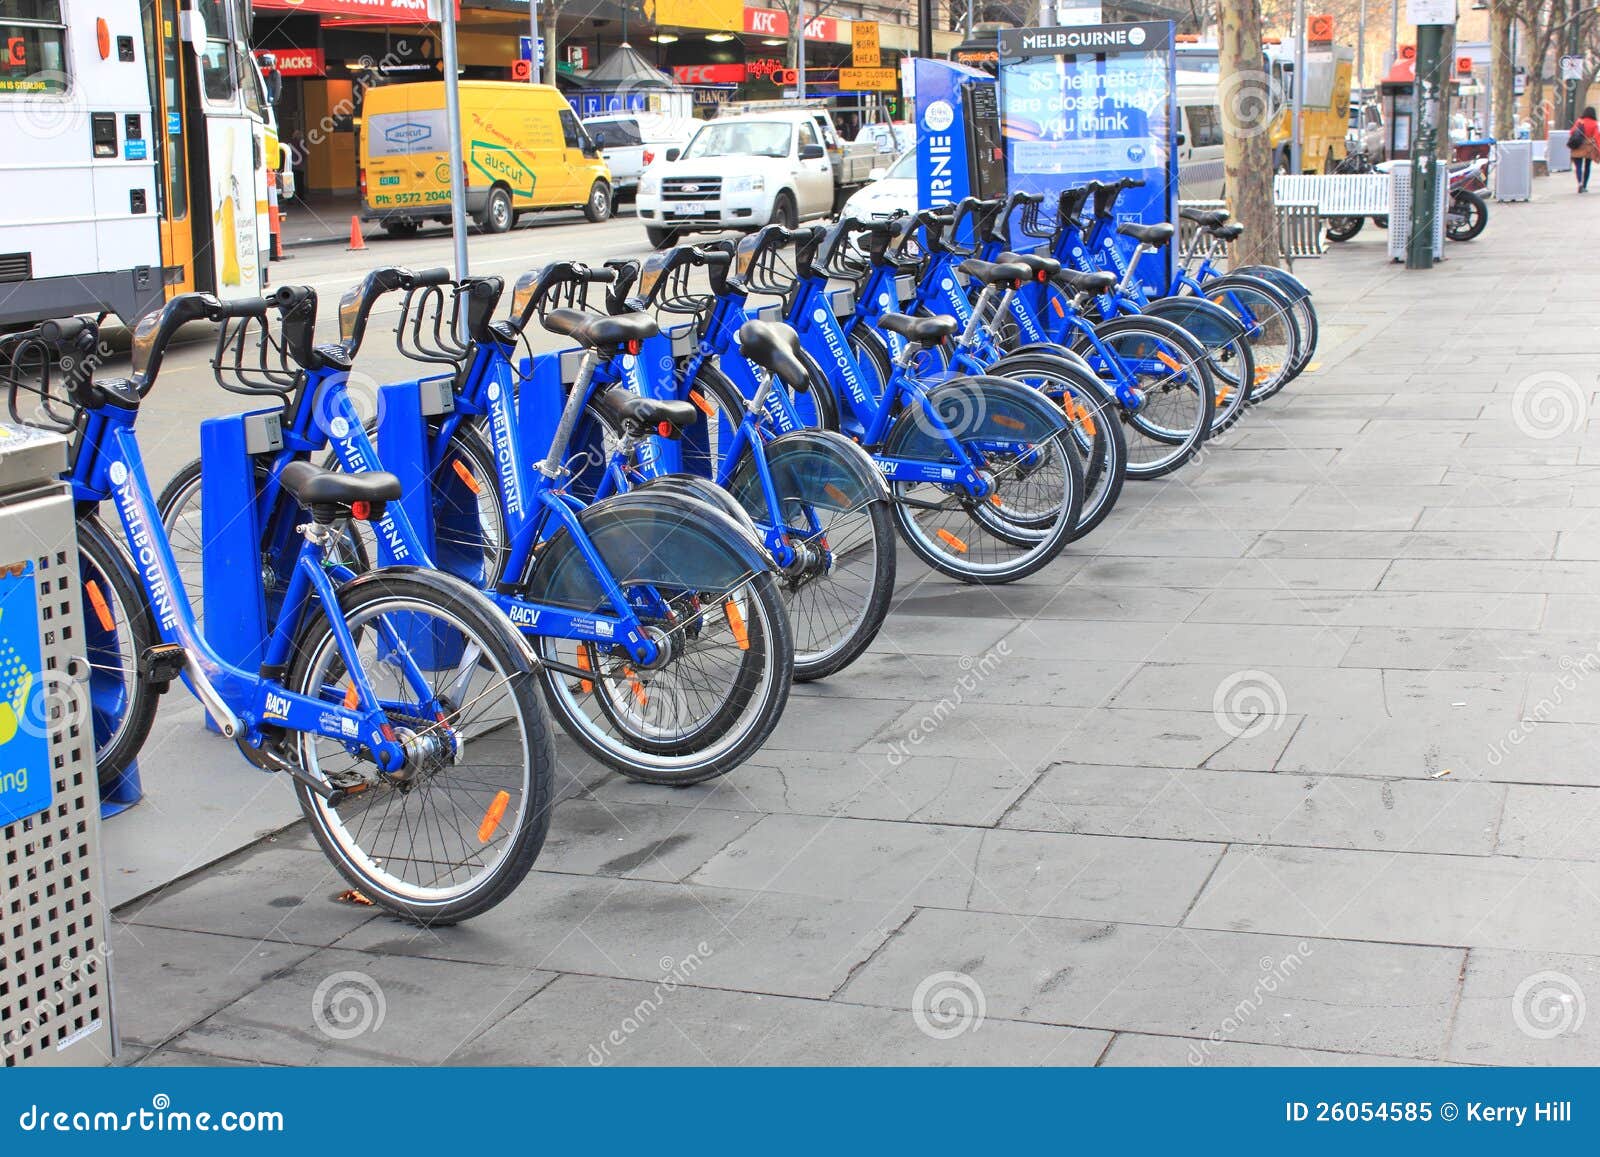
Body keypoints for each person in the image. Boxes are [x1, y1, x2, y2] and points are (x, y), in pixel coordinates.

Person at [1571, 106, 1600, 192]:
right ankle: (1584, 185)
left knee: (1578, 166)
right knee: (1587, 166)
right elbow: (1597, 136)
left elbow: (1572, 132)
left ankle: (1579, 183)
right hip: (1589, 147)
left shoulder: (1579, 121)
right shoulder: (1594, 123)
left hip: (1578, 146)